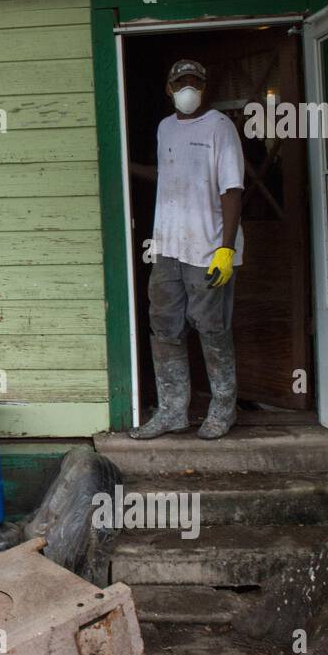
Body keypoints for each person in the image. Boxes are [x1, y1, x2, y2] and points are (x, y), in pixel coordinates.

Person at [129, 59, 244, 440]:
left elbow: (232, 189)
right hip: (167, 248)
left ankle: (223, 410)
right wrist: (125, 166)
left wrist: (225, 250)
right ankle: (172, 411)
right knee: (165, 329)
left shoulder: (220, 128)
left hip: (208, 248)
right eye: (181, 82)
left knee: (212, 329)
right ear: (169, 88)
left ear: (204, 86)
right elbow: (169, 176)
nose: (188, 87)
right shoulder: (165, 128)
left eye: (195, 81)